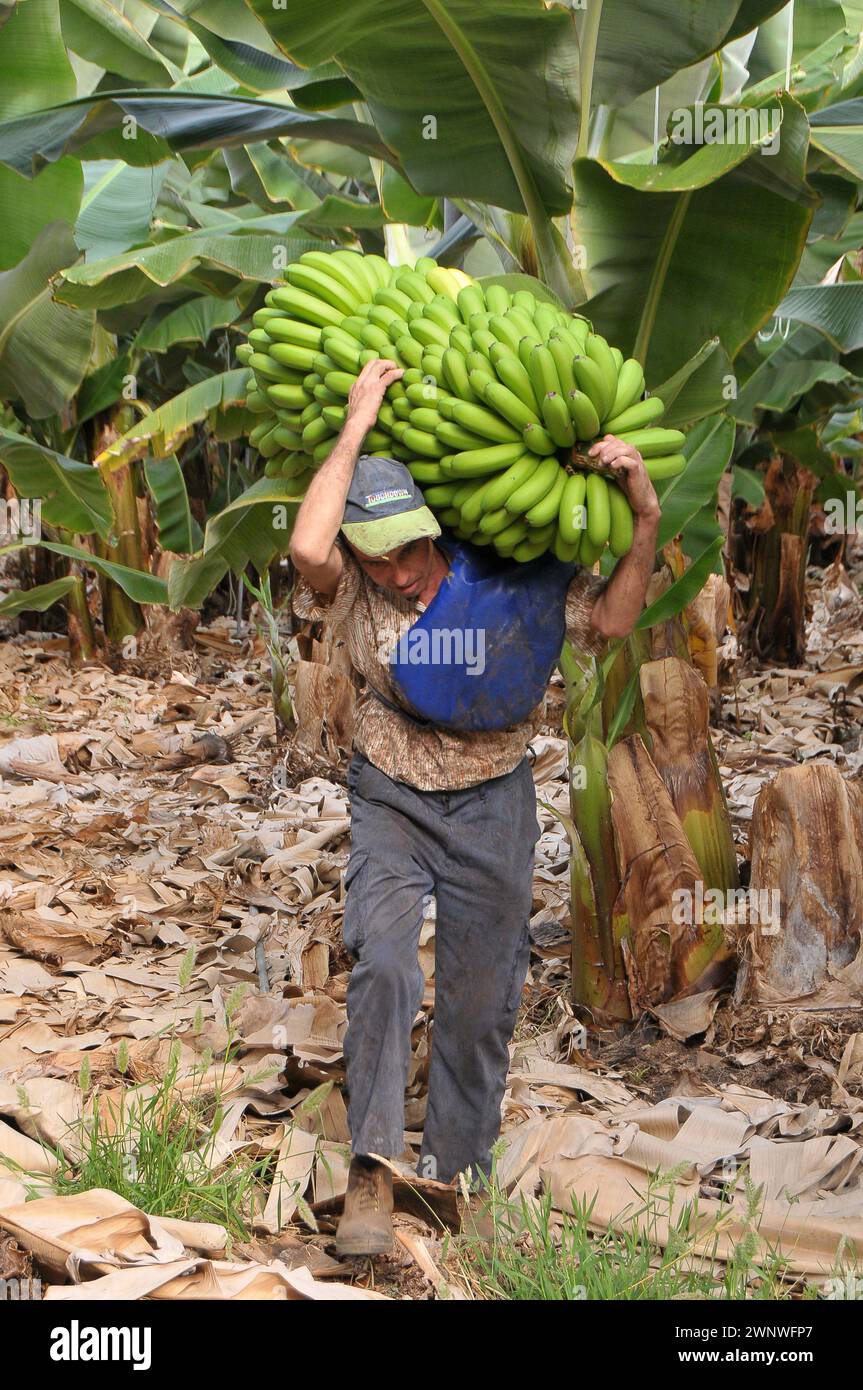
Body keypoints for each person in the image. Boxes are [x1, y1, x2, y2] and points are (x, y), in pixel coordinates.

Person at [290, 358, 661, 1256]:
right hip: (390, 795)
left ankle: (456, 1179)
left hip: (495, 797)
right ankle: (372, 1174)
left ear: (433, 532)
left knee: (480, 997)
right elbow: (309, 548)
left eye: (410, 554)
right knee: (382, 964)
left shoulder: (503, 576)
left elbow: (610, 621)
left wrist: (643, 512)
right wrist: (355, 425)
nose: (400, 575)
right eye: (377, 561)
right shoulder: (355, 597)